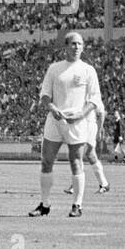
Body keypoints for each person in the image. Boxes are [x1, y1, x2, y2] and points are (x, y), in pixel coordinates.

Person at [29, 31, 103, 218]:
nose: (76, 47)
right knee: (46, 161)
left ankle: (77, 205)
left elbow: (94, 99)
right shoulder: (55, 68)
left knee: (76, 162)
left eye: (79, 44)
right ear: (65, 46)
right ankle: (45, 205)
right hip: (55, 120)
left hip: (77, 122)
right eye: (73, 44)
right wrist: (52, 107)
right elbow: (45, 94)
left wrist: (81, 113)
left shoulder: (88, 70)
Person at [65, 105, 110, 195]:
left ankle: (75, 185)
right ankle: (104, 184)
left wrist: (100, 130)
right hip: (79, 126)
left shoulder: (93, 93)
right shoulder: (78, 93)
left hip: (89, 127)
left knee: (80, 154)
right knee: (90, 155)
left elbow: (101, 112)